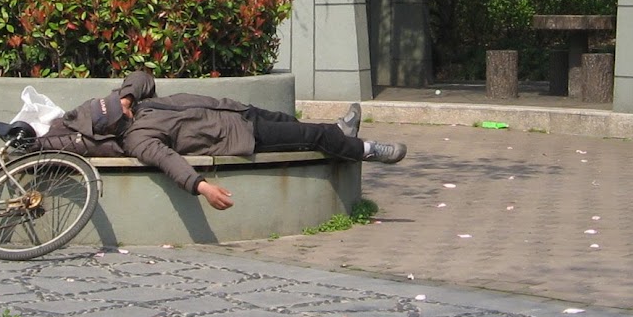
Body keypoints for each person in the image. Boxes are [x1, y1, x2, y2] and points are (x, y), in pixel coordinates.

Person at [66, 73, 406, 211]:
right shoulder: (138, 139)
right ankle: (367, 150)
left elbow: (142, 78)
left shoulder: (135, 106)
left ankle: (340, 132)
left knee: (293, 124)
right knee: (310, 137)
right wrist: (202, 187)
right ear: (111, 125)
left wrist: (125, 96)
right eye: (117, 110)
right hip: (239, 136)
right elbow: (169, 162)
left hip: (235, 111)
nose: (123, 108)